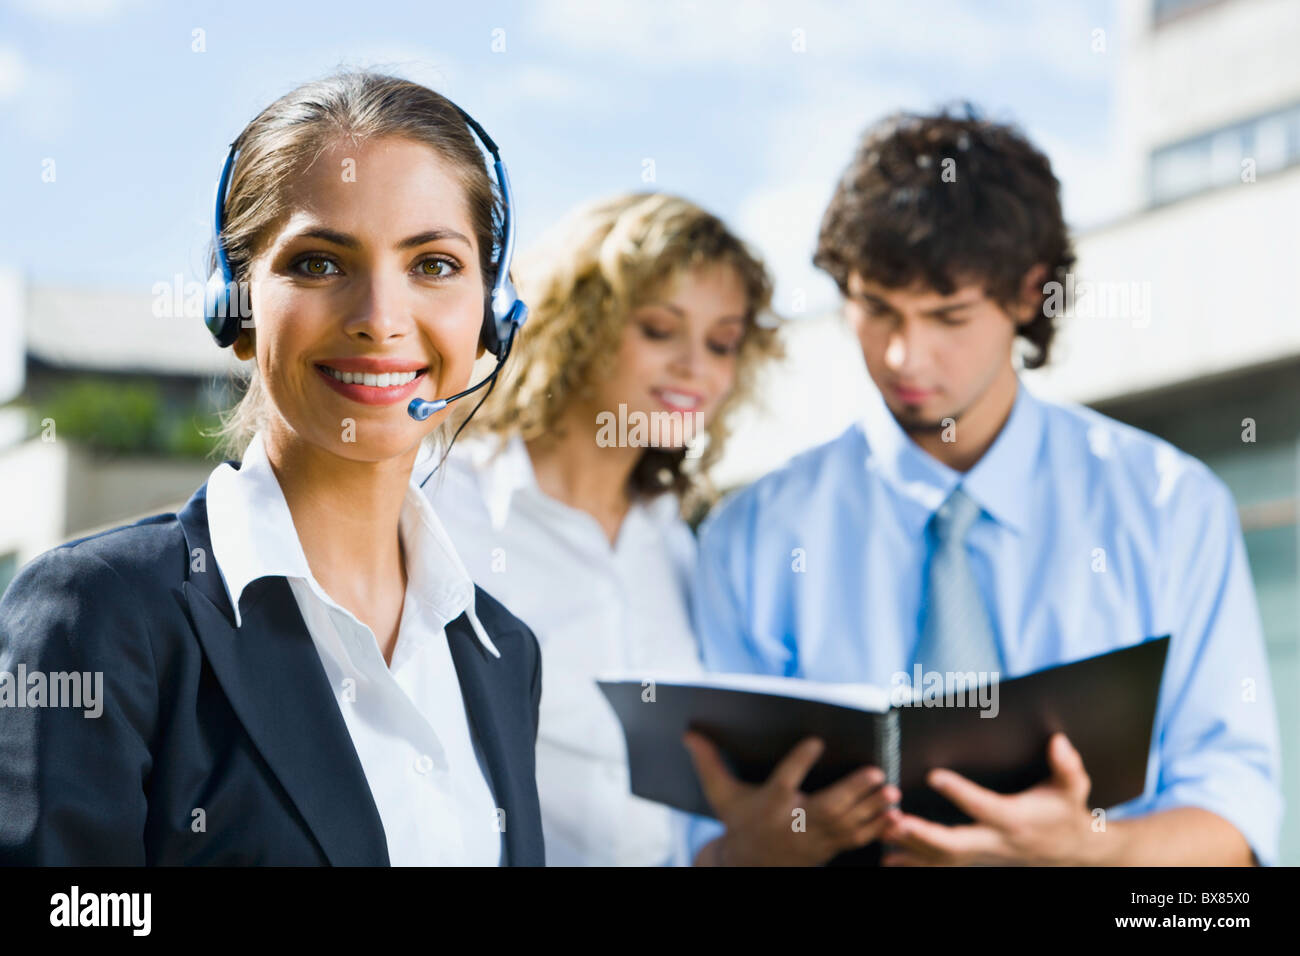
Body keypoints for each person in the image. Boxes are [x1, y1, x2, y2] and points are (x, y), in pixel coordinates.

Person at [686, 106, 1283, 866]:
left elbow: (1235, 811)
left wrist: (1091, 849)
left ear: (1029, 294)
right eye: (876, 309)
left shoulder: (1169, 506)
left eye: (948, 315)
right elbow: (702, 834)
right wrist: (751, 852)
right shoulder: (753, 535)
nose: (906, 355)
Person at [0, 71, 544, 866]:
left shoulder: (503, 652)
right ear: (236, 305)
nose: (381, 320)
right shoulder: (97, 614)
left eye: (433, 264)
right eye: (321, 263)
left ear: (491, 313)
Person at [423, 192, 782, 865]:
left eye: (722, 342)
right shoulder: (439, 506)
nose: (695, 368)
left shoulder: (675, 539)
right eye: (657, 329)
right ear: (578, 326)